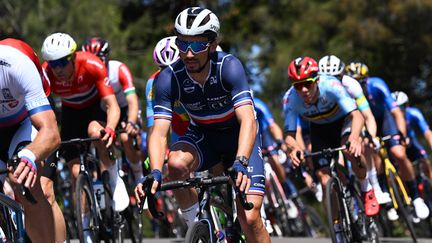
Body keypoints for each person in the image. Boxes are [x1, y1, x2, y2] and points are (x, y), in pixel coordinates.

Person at [135, 7, 270, 242]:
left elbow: (248, 119)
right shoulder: (169, 77)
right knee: (174, 165)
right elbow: (158, 133)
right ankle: (197, 226)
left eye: (197, 45)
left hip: (237, 136)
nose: (188, 54)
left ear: (212, 45)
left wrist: (241, 161)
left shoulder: (228, 66)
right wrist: (155, 172)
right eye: (183, 44)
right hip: (203, 135)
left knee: (249, 218)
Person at [40, 32, 128, 242]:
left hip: (94, 108)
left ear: (73, 57)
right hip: (70, 114)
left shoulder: (91, 64)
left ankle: (114, 178)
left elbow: (112, 105)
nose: (58, 69)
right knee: (75, 172)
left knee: (95, 132)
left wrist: (111, 128)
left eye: (62, 62)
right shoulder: (46, 73)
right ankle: (85, 228)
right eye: (53, 64)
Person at [284, 56, 379, 241]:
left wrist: (355, 138)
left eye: (307, 84)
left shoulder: (332, 86)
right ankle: (337, 228)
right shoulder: (290, 99)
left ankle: (366, 188)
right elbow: (289, 134)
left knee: (351, 150)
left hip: (344, 122)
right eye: (298, 85)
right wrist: (294, 149)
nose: (303, 90)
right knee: (325, 179)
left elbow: (357, 116)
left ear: (317, 80)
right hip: (319, 130)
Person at [0, 38, 67, 243]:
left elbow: (51, 132)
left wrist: (29, 155)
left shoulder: (17, 63)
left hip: (26, 122)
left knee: (26, 182)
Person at [345, 62, 429, 219]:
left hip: (385, 118)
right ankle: (382, 190)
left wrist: (401, 136)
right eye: (356, 82)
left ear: (367, 79)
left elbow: (396, 112)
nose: (360, 86)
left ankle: (417, 198)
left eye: (362, 82)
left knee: (399, 154)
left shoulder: (377, 85)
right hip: (365, 120)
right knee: (368, 148)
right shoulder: (349, 93)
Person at [318, 55, 391, 205]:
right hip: (331, 125)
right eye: (327, 77)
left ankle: (374, 186)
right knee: (337, 165)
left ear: (343, 75)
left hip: (352, 120)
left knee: (364, 144)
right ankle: (350, 208)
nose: (332, 82)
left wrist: (371, 137)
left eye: (336, 77)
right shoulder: (317, 90)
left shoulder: (352, 85)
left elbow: (367, 116)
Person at [82, 37, 144, 182]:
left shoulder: (119, 69)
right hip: (104, 111)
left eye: (100, 58)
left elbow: (132, 100)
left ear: (108, 57)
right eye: (92, 59)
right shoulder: (86, 74)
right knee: (97, 135)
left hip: (124, 109)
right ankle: (109, 174)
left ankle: (138, 175)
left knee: (126, 137)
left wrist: (132, 122)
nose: (96, 62)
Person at [392, 91, 432, 180]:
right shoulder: (390, 119)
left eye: (402, 107)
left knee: (425, 162)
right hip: (399, 144)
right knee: (400, 171)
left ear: (407, 106)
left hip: (412, 142)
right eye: (397, 108)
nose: (400, 111)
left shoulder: (413, 113)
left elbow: (427, 132)